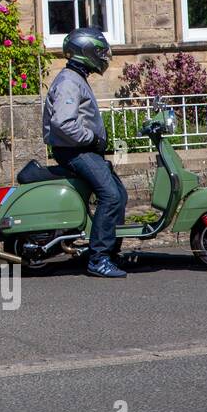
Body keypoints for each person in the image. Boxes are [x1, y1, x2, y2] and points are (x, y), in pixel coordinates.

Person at [43, 26, 128, 279]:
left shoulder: (76, 78)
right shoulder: (69, 82)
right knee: (110, 196)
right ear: (86, 52)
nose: (103, 57)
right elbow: (63, 122)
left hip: (81, 150)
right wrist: (91, 139)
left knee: (119, 193)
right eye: (99, 52)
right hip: (75, 151)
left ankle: (110, 251)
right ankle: (98, 259)